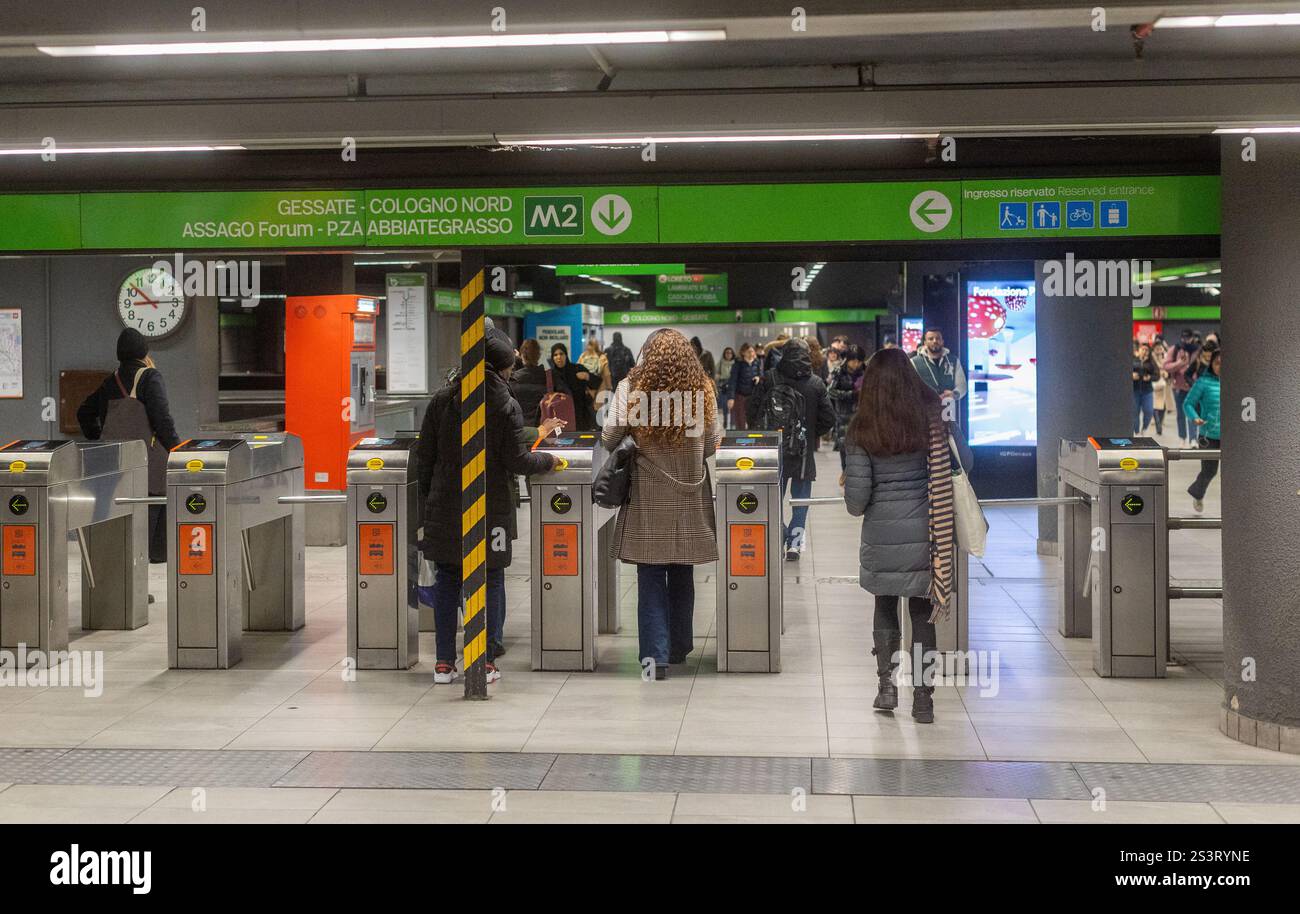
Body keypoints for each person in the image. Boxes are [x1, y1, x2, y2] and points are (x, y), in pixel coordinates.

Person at [417, 327, 556, 685]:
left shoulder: (442, 400)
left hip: (445, 506)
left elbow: (424, 459)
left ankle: (444, 663)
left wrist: (428, 506)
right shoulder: (504, 404)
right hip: (490, 506)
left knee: (448, 579)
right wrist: (549, 461)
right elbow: (518, 461)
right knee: (490, 578)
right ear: (502, 366)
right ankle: (485, 661)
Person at [843, 347, 969, 724]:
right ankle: (923, 700)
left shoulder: (861, 429)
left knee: (884, 605)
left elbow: (856, 502)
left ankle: (886, 687)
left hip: (881, 534)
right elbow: (966, 462)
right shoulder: (932, 418)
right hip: (926, 533)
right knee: (922, 614)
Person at [602, 329, 720, 680]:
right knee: (682, 571)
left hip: (648, 495)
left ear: (646, 354)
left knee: (650, 574)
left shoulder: (632, 387)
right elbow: (711, 445)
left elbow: (609, 437)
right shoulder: (702, 389)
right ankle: (679, 648)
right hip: (689, 494)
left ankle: (655, 658)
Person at [77, 328, 180, 564]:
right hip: (147, 468)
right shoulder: (150, 377)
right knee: (148, 528)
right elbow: (162, 420)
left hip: (114, 465)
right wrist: (178, 450)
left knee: (117, 524)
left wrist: (99, 439)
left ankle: (117, 573)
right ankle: (146, 570)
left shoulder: (109, 382)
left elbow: (83, 412)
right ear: (144, 351)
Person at [747, 338, 835, 560]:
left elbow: (752, 411)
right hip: (803, 453)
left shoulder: (769, 378)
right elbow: (829, 418)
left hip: (772, 450)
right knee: (801, 501)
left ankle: (781, 534)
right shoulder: (816, 383)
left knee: (772, 499)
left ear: (783, 353)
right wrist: (809, 434)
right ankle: (794, 544)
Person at [1184, 349, 1222, 514]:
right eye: (1217, 363)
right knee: (1209, 470)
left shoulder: (1237, 382)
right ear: (1211, 364)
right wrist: (1195, 418)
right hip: (1208, 435)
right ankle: (1197, 494)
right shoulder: (1203, 382)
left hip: (1232, 436)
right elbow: (1188, 403)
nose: (1220, 366)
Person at [910, 329, 968, 411]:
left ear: (942, 341)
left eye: (938, 338)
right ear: (925, 343)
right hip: (924, 411)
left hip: (947, 410)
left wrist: (954, 394)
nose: (935, 341)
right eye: (931, 339)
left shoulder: (953, 360)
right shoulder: (914, 362)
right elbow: (910, 388)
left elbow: (962, 385)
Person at [829, 344, 866, 469]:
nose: (856, 364)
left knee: (862, 446)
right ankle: (846, 473)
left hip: (862, 414)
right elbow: (831, 391)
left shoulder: (866, 371)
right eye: (853, 361)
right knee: (844, 447)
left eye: (859, 361)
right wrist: (850, 394)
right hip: (844, 416)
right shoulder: (839, 372)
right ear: (848, 360)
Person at [548, 342, 601, 430]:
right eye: (555, 355)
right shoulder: (551, 375)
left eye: (561, 354)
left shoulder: (577, 369)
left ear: (566, 355)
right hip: (561, 417)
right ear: (552, 358)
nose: (559, 357)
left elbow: (597, 382)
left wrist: (587, 376)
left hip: (580, 415)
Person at [1163, 331, 1197, 444]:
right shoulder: (1175, 349)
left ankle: (1193, 439)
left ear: (1192, 338)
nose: (1186, 340)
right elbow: (1166, 366)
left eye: (1188, 338)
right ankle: (1182, 438)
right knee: (1181, 414)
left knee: (1192, 413)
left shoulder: (1197, 350)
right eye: (1184, 338)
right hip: (1179, 387)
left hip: (1193, 387)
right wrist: (1179, 363)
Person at [509, 338, 547, 427]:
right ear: (538, 355)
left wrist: (517, 361)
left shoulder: (513, 378)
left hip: (518, 427)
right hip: (542, 427)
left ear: (522, 355)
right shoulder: (548, 377)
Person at [725, 342, 761, 430]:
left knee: (753, 420)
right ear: (743, 352)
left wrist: (759, 378)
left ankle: (752, 437)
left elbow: (761, 374)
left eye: (752, 351)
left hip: (752, 396)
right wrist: (731, 398)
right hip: (740, 396)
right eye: (749, 352)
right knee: (740, 420)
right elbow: (732, 381)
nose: (751, 354)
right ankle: (741, 437)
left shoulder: (757, 363)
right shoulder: (738, 364)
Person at [1131, 341, 1157, 435]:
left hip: (1147, 391)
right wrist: (1131, 376)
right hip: (1135, 391)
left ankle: (1144, 428)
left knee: (1149, 411)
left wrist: (1150, 377)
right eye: (1143, 349)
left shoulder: (1151, 362)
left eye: (1147, 350)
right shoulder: (1133, 360)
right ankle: (1136, 432)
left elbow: (1157, 375)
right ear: (1139, 350)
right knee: (1135, 412)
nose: (1145, 351)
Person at [1150, 340, 1171, 436]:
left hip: (1164, 385)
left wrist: (1167, 374)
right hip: (1154, 384)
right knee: (1155, 405)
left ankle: (1160, 423)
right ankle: (1158, 425)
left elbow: (1170, 370)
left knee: (1163, 406)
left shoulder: (1166, 358)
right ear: (1154, 349)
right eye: (1157, 348)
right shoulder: (1151, 358)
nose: (1159, 350)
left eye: (1160, 348)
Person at [716, 346, 736, 426]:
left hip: (733, 385)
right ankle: (725, 422)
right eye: (727, 353)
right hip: (723, 386)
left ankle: (733, 423)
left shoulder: (735, 363)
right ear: (724, 354)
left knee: (733, 405)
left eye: (730, 353)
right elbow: (715, 373)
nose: (728, 354)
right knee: (724, 405)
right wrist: (718, 376)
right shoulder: (720, 363)